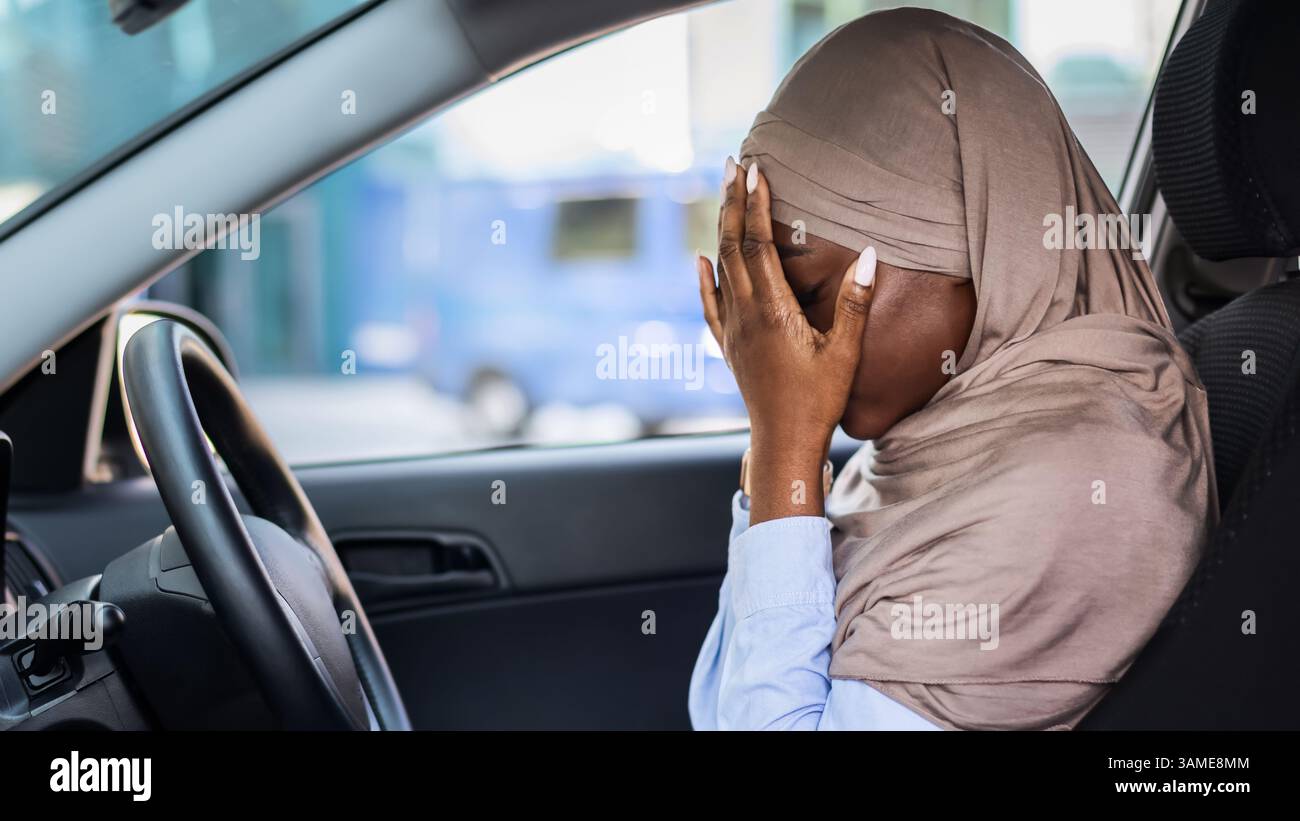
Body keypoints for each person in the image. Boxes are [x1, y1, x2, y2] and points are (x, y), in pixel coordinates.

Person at [688, 7, 1216, 731]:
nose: (781, 347)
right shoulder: (917, 451)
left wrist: (783, 444)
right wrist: (778, 461)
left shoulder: (1082, 480)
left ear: (975, 245)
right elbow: (720, 702)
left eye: (804, 294)